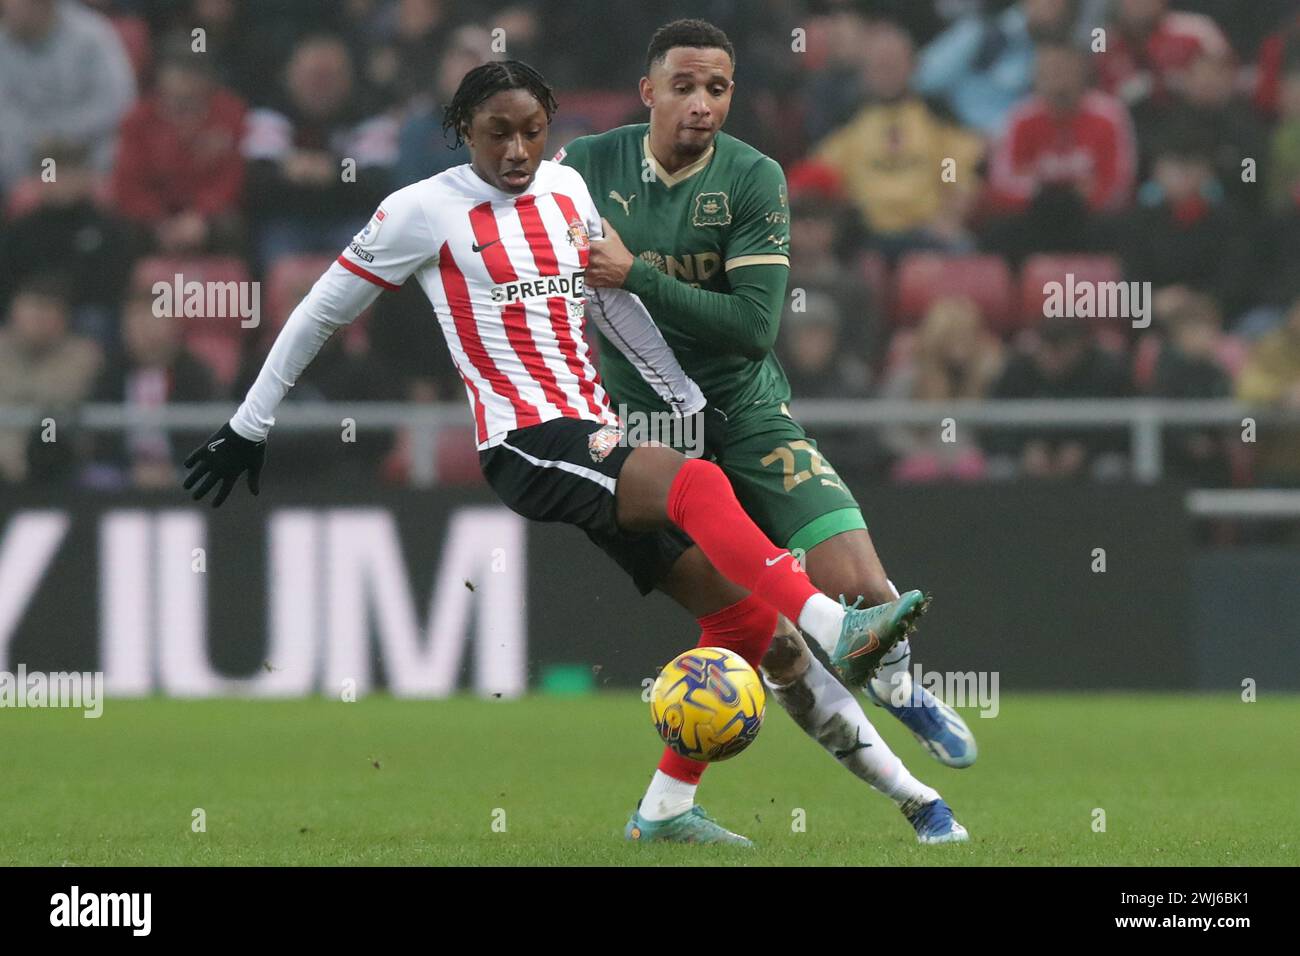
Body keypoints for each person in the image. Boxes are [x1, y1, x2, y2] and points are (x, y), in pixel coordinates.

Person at [180, 61, 934, 846]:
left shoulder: (568, 191)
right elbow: (318, 314)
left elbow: (611, 300)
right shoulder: (420, 211)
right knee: (698, 485)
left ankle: (683, 811)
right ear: (462, 131)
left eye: (532, 132)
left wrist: (683, 397)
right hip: (525, 441)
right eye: (497, 133)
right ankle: (834, 622)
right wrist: (250, 423)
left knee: (748, 626)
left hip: (595, 430)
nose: (516, 151)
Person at [558, 20, 973, 846]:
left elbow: (753, 327)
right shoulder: (584, 168)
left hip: (744, 411)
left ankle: (896, 685)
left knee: (862, 587)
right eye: (684, 86)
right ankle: (916, 801)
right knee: (770, 646)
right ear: (648, 93)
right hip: (650, 437)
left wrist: (632, 271)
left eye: (718, 88)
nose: (702, 104)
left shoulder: (754, 179)